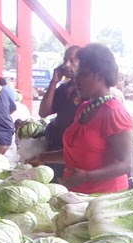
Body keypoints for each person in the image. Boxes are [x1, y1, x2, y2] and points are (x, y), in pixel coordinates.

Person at [27, 43, 133, 194]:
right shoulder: (84, 108)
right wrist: (43, 157)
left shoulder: (114, 112)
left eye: (82, 74)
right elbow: (78, 153)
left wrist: (86, 177)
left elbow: (126, 164)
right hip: (78, 195)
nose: (76, 80)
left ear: (99, 75)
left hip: (103, 199)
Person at [39, 45, 80, 178]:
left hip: (76, 153)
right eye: (65, 60)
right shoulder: (63, 89)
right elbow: (43, 112)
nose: (67, 65)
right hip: (57, 150)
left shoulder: (89, 91)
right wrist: (53, 82)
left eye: (72, 60)